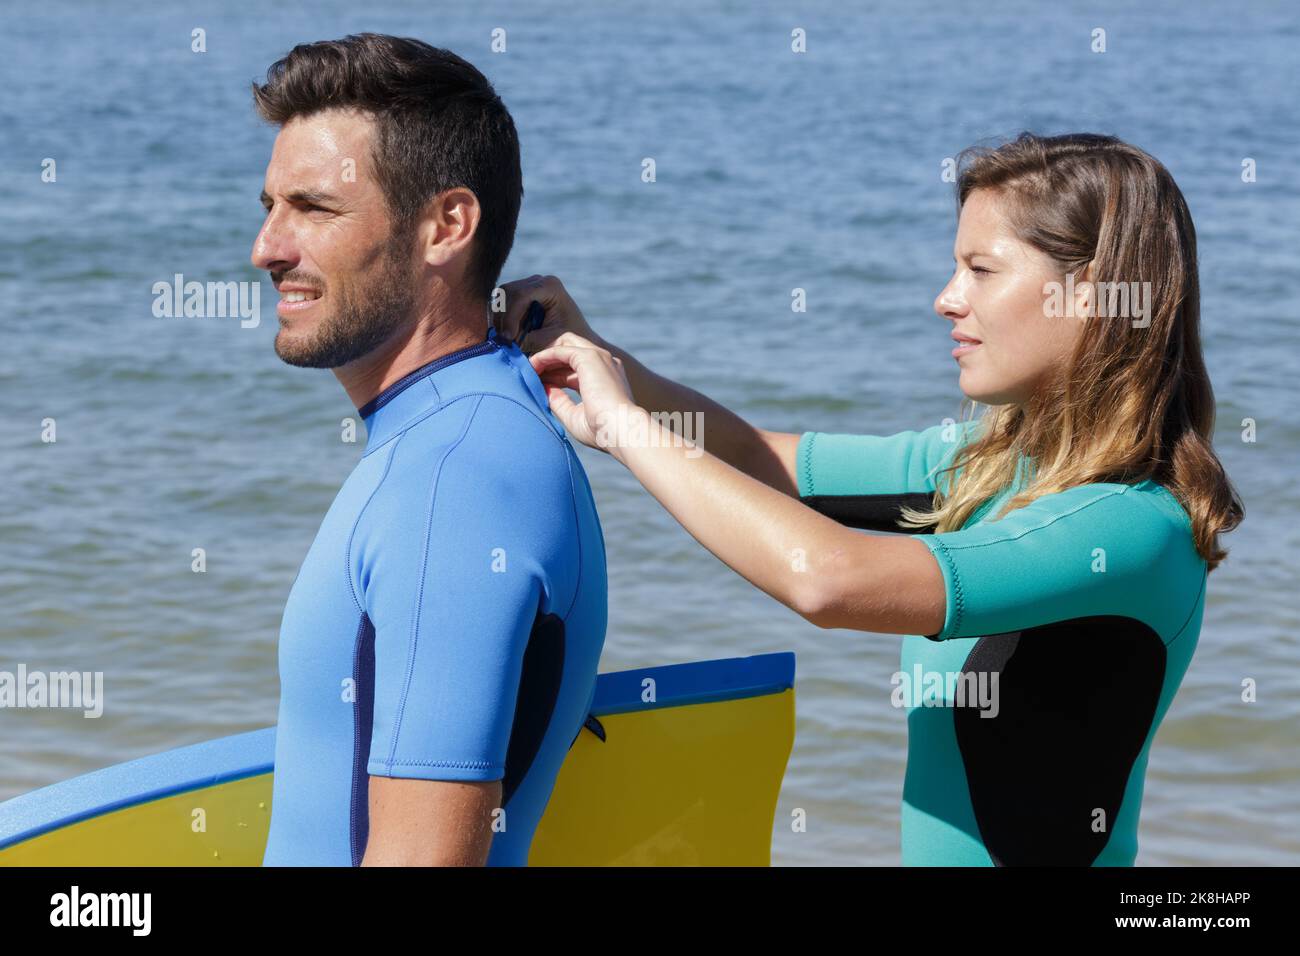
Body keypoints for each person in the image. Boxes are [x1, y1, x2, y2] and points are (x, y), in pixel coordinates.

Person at [495, 132, 1244, 866]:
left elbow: (828, 579)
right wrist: (593, 354)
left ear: (1093, 294)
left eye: (981, 270)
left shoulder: (1132, 527)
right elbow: (764, 461)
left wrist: (623, 428)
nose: (946, 299)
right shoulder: (985, 466)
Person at [250, 34, 607, 866]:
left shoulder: (454, 479)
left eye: (314, 208)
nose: (267, 247)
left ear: (446, 225)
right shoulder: (477, 424)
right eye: (267, 206)